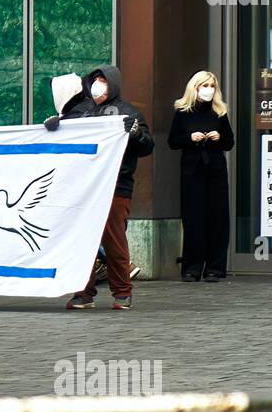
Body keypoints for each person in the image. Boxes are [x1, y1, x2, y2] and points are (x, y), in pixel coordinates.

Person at [50, 65, 153, 311]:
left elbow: (147, 146)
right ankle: (84, 292)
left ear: (113, 84)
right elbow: (65, 139)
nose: (98, 86)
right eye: (95, 81)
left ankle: (122, 292)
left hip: (116, 187)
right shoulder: (81, 113)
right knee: (81, 240)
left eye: (103, 81)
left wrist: (136, 133)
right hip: (83, 189)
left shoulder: (129, 113)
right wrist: (53, 126)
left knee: (113, 240)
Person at [168, 71, 234, 282]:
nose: (208, 90)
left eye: (211, 86)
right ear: (194, 88)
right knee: (193, 218)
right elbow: (173, 141)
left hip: (215, 169)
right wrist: (190, 138)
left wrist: (218, 137)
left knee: (218, 217)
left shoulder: (219, 112)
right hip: (192, 170)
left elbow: (229, 142)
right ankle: (192, 268)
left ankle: (215, 268)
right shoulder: (183, 111)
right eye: (204, 85)